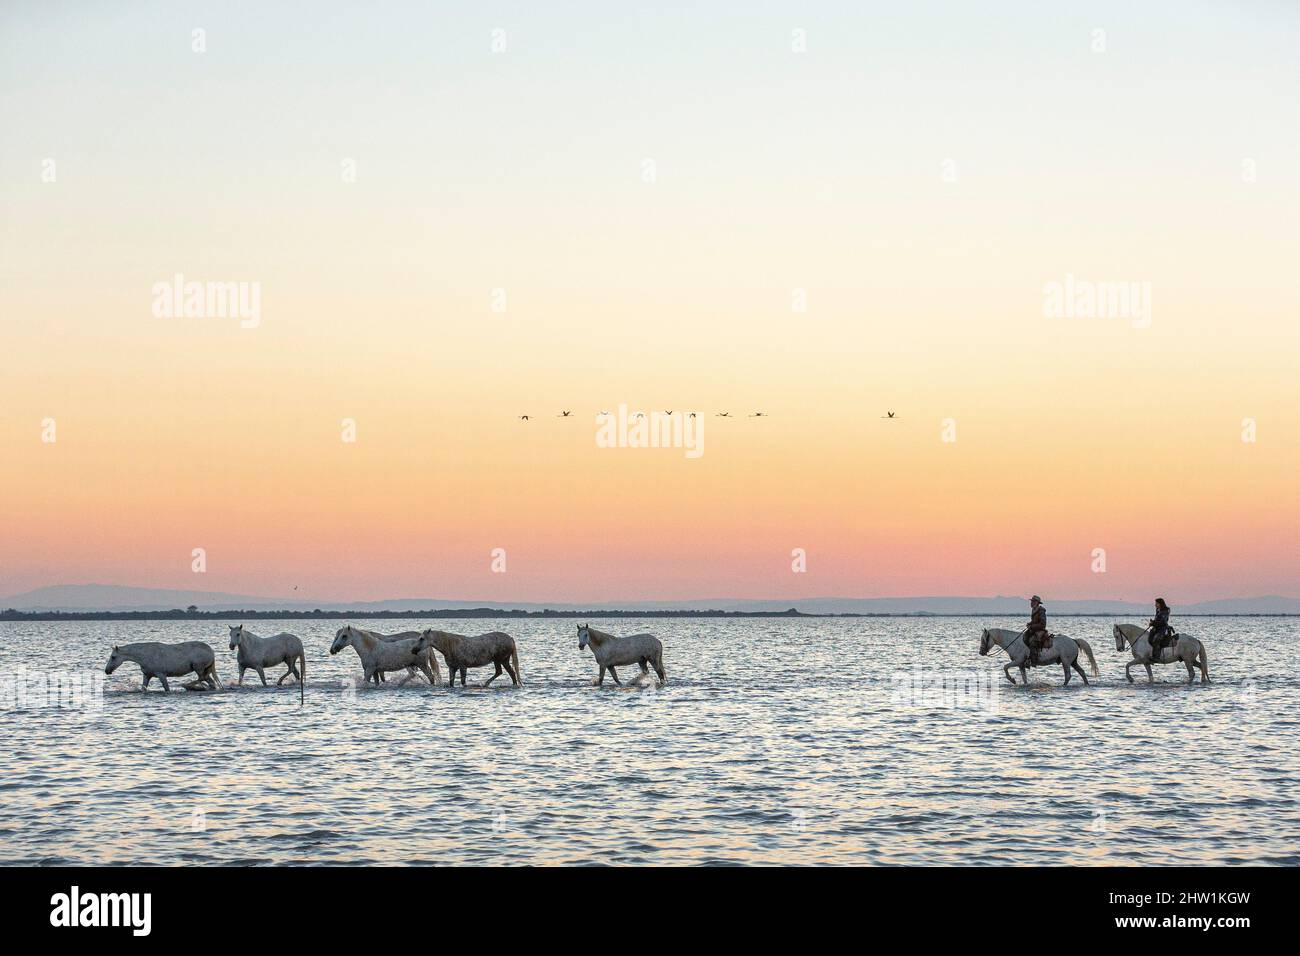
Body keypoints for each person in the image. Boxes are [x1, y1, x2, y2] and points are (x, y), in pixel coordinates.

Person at [1023, 595, 1048, 665]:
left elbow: (1043, 624)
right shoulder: (1034, 610)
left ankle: (1034, 660)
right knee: (1025, 637)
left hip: (1040, 630)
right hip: (1034, 629)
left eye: (1033, 601)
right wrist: (1030, 623)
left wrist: (1032, 626)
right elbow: (1034, 621)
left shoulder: (1041, 611)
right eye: (1031, 601)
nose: (1031, 603)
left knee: (1032, 641)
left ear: (1037, 603)